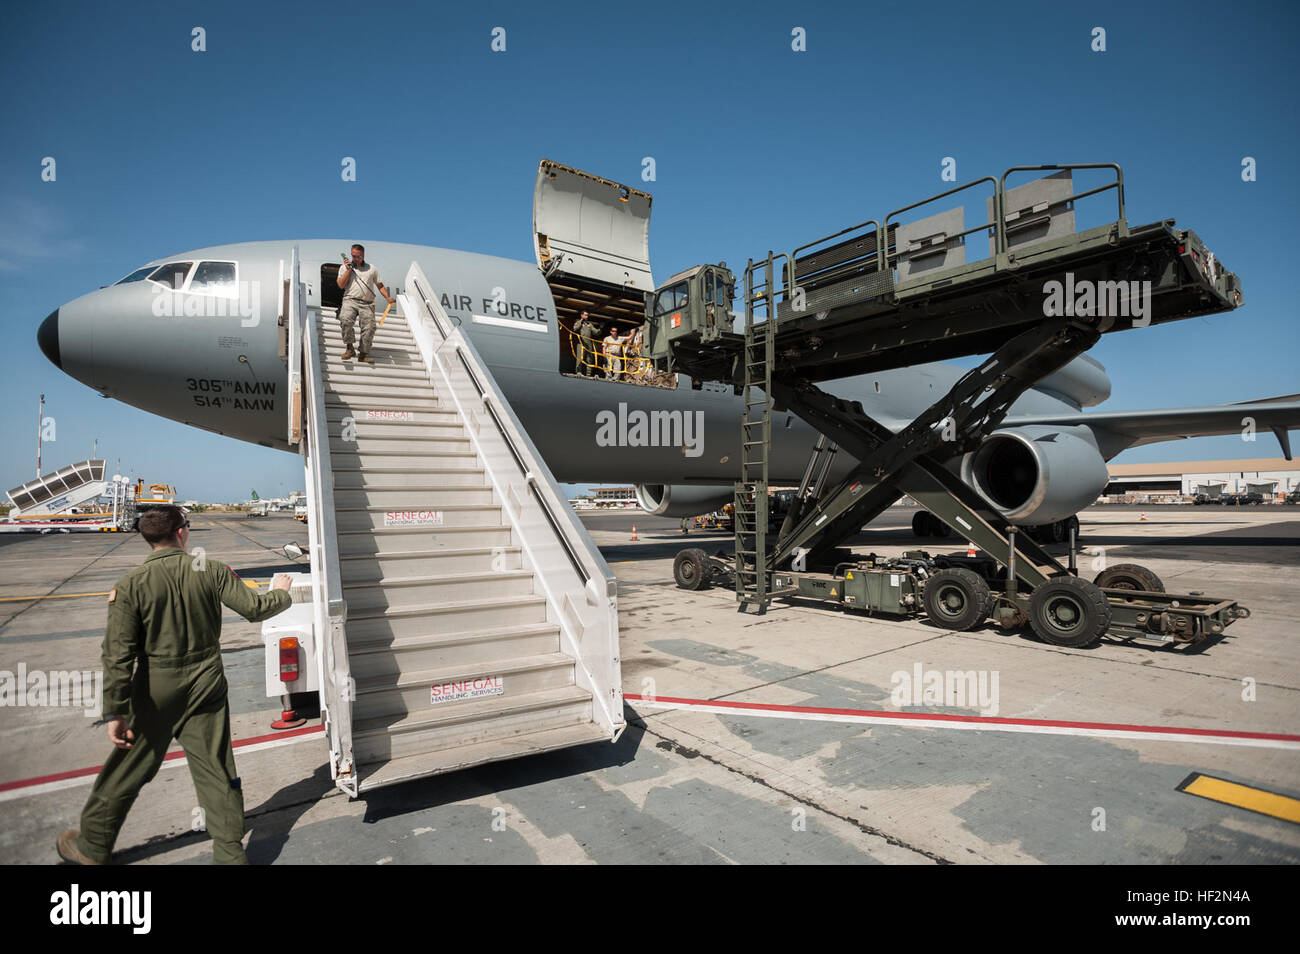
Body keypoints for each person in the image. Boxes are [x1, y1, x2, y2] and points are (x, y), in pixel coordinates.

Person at [57, 505, 294, 865]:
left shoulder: (130, 585)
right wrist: (281, 592)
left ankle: (92, 847)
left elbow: (117, 655)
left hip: (156, 687)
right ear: (181, 532)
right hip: (207, 680)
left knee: (128, 768)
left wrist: (114, 710)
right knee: (215, 769)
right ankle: (230, 854)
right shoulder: (210, 569)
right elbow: (255, 608)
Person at [337, 243, 394, 365]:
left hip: (367, 302)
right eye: (353, 256)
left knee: (369, 328)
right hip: (350, 299)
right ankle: (349, 348)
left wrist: (387, 297)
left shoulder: (371, 269)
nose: (356, 259)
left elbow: (380, 285)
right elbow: (341, 285)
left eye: (358, 256)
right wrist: (348, 270)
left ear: (363, 255)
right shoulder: (344, 268)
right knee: (345, 320)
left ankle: (363, 354)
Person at [573, 310, 599, 376]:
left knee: (589, 359)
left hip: (589, 343)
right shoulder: (578, 322)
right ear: (581, 315)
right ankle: (578, 372)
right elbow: (575, 329)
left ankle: (588, 374)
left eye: (587, 315)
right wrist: (581, 322)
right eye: (585, 315)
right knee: (580, 358)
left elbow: (596, 332)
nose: (586, 316)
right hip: (581, 342)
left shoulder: (589, 324)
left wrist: (600, 328)